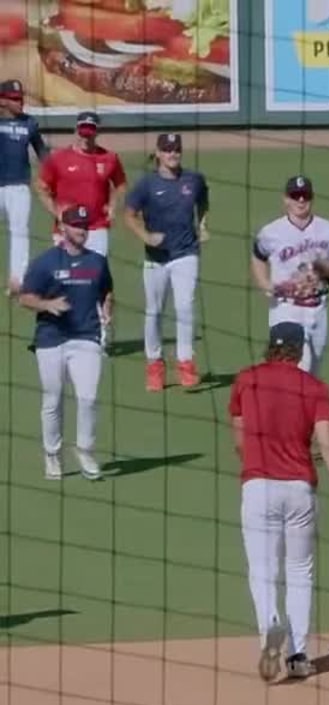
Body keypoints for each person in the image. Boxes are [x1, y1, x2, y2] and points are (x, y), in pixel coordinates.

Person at [230, 322, 329, 682]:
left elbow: (238, 439)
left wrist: (257, 459)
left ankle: (270, 626)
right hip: (300, 487)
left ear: (270, 346)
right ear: (300, 350)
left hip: (258, 486)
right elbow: (328, 444)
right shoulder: (315, 387)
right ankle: (299, 655)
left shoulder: (246, 380)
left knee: (262, 570)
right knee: (300, 572)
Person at [16, 204, 110, 480]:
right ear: (64, 228)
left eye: (84, 225)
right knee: (53, 400)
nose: (82, 230)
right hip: (50, 340)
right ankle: (52, 454)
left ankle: (85, 450)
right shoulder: (45, 262)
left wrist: (107, 309)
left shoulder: (97, 262)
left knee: (88, 398)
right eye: (76, 225)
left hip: (86, 338)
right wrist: (47, 304)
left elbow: (106, 290)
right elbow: (24, 298)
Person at [124, 132, 210, 391]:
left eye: (176, 150)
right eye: (168, 150)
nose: (173, 154)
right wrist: (146, 236)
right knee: (154, 312)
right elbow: (129, 215)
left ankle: (185, 363)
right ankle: (154, 364)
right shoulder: (146, 184)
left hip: (186, 253)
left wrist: (203, 225)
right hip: (156, 258)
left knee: (185, 307)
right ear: (158, 153)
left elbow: (203, 201)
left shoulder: (193, 179)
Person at [250, 175, 329, 376]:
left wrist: (323, 267)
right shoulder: (271, 232)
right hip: (286, 308)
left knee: (312, 374)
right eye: (295, 196)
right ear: (286, 199)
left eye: (305, 195)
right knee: (294, 371)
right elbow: (258, 256)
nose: (300, 200)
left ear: (312, 198)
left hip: (318, 308)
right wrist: (264, 283)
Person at [37, 111, 124, 258]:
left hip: (97, 227)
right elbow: (41, 186)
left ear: (97, 132)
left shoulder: (110, 158)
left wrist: (113, 205)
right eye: (82, 131)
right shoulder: (58, 158)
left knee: (95, 274)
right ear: (75, 131)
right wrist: (56, 211)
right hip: (66, 228)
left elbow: (120, 184)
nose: (86, 136)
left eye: (90, 131)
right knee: (64, 274)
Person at [0, 79, 47, 296]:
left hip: (19, 186)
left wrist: (51, 176)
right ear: (3, 101)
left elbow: (42, 153)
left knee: (19, 233)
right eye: (15, 99)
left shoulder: (30, 123)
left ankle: (17, 280)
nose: (20, 102)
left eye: (21, 98)